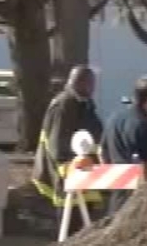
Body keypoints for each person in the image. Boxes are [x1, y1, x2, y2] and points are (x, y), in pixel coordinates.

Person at [30, 65, 104, 225]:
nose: (93, 87)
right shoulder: (63, 106)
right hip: (68, 176)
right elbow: (57, 143)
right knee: (70, 225)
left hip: (84, 175)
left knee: (84, 228)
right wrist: (68, 170)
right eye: (90, 83)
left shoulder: (85, 104)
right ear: (79, 82)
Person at [100, 78, 147, 216]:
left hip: (116, 194)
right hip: (136, 197)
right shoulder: (145, 124)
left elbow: (102, 152)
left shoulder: (114, 119)